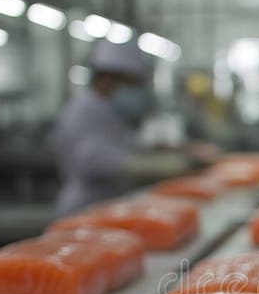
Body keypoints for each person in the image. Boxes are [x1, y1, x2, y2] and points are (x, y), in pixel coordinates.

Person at [50, 40, 211, 215]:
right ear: (107, 78)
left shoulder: (109, 111)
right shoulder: (82, 111)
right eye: (132, 83)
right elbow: (94, 162)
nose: (137, 91)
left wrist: (178, 150)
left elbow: (129, 144)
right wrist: (160, 166)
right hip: (85, 206)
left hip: (109, 203)